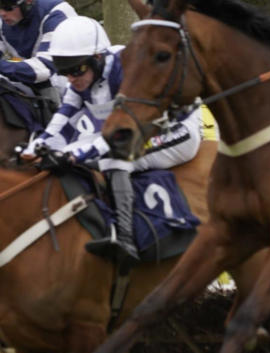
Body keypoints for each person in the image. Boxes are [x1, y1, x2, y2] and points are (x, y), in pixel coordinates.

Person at [23, 16, 203, 264]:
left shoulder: (127, 70)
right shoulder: (82, 78)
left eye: (76, 70)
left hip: (175, 131)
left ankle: (125, 239)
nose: (71, 79)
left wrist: (75, 155)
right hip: (127, 132)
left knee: (113, 159)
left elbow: (121, 136)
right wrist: (37, 147)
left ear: (98, 58)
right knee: (72, 152)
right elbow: (63, 119)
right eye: (64, 72)